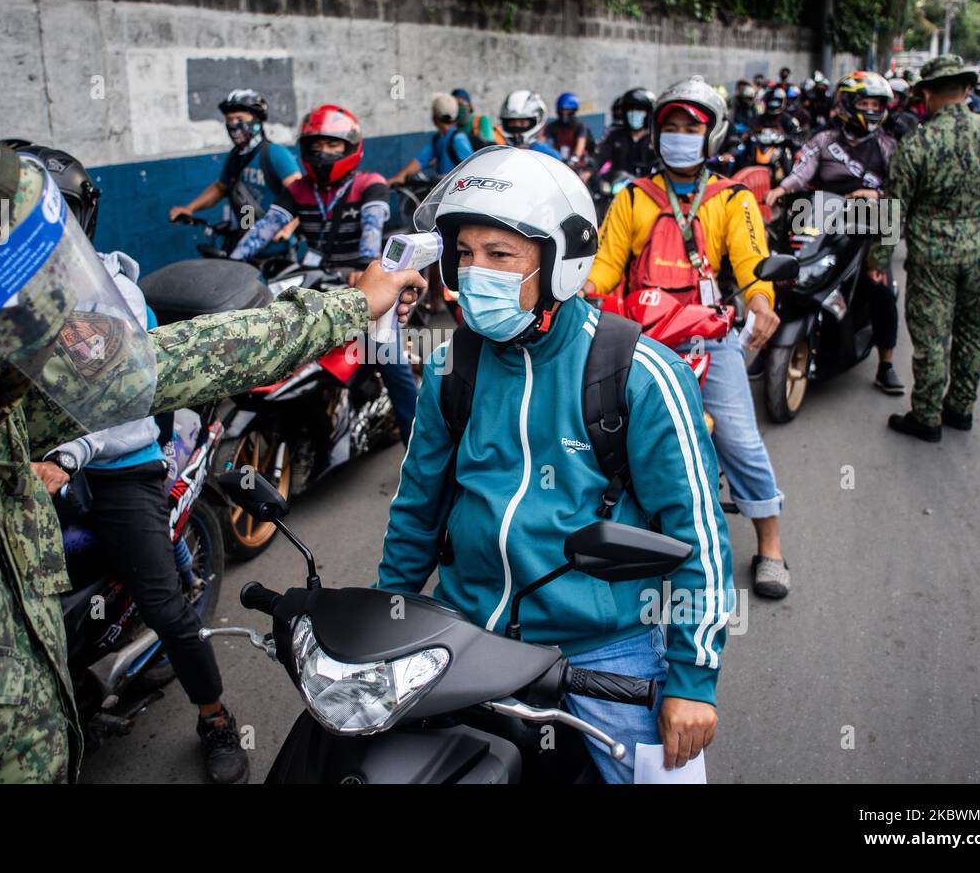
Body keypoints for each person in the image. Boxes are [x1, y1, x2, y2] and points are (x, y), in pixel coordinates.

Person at [0, 104, 424, 783]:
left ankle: (212, 709)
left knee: (167, 604)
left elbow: (167, 361)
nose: (47, 327)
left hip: (122, 478)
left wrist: (350, 305)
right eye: (19, 302)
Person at [377, 144, 734, 783]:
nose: (475, 271)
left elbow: (697, 535)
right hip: (470, 638)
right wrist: (387, 615)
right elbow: (417, 511)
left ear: (561, 264)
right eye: (464, 254)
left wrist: (692, 681)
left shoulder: (638, 373)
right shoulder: (452, 366)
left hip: (608, 652)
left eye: (501, 255)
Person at [7, 142, 248, 784]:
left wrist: (68, 454)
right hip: (29, 471)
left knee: (166, 606)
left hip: (116, 464)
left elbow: (122, 408)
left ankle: (216, 718)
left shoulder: (111, 294)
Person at [584, 76, 791, 599]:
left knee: (739, 438)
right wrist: (576, 290)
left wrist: (762, 301)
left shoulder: (732, 198)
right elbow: (605, 266)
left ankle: (770, 544)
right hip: (636, 335)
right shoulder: (633, 197)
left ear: (713, 134)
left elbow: (750, 265)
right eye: (669, 127)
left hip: (706, 334)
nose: (678, 136)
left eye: (690, 128)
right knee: (595, 436)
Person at [230, 104, 419, 441]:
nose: (323, 152)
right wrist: (232, 262)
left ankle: (418, 451)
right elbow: (266, 228)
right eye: (315, 145)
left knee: (390, 362)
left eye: (333, 145)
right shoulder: (298, 189)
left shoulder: (369, 184)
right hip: (317, 282)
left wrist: (363, 268)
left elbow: (372, 229)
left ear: (350, 147)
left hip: (368, 285)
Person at [869, 55, 980, 441]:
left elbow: (894, 208)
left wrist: (879, 256)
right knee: (973, 332)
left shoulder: (917, 143)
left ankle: (926, 416)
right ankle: (960, 408)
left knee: (931, 338)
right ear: (968, 90)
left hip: (932, 258)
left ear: (926, 94)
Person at [765, 71, 903, 395]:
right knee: (786, 270)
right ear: (846, 103)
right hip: (819, 210)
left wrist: (878, 197)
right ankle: (771, 339)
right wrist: (780, 189)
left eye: (876, 104)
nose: (871, 109)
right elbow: (802, 172)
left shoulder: (888, 145)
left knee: (878, 285)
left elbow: (901, 189)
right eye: (864, 102)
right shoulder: (823, 139)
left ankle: (886, 364)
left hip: (871, 219)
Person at [168, 89, 300, 250]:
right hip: (247, 242)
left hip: (278, 245)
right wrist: (190, 208)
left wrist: (287, 229)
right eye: (230, 120)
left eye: (240, 118)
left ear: (257, 119)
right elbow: (220, 188)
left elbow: (301, 195)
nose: (234, 125)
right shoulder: (236, 156)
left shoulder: (275, 154)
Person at [389, 93, 474, 185]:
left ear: (435, 117)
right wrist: (402, 175)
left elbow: (472, 168)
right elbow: (421, 160)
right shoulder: (438, 139)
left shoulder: (458, 139)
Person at [595, 87, 657, 180]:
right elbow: (599, 159)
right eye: (630, 110)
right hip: (617, 187)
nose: (634, 114)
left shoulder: (655, 139)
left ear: (649, 113)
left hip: (647, 189)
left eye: (639, 110)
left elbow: (660, 165)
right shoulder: (614, 136)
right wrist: (589, 171)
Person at [544, 91, 597, 177]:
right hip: (557, 164)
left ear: (574, 111)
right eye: (562, 110)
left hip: (577, 166)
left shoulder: (580, 126)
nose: (565, 113)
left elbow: (580, 145)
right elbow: (544, 143)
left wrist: (574, 158)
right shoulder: (552, 127)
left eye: (568, 110)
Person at [499, 90, 563, 159]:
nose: (516, 129)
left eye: (522, 123)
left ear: (538, 120)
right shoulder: (499, 153)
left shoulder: (548, 155)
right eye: (511, 123)